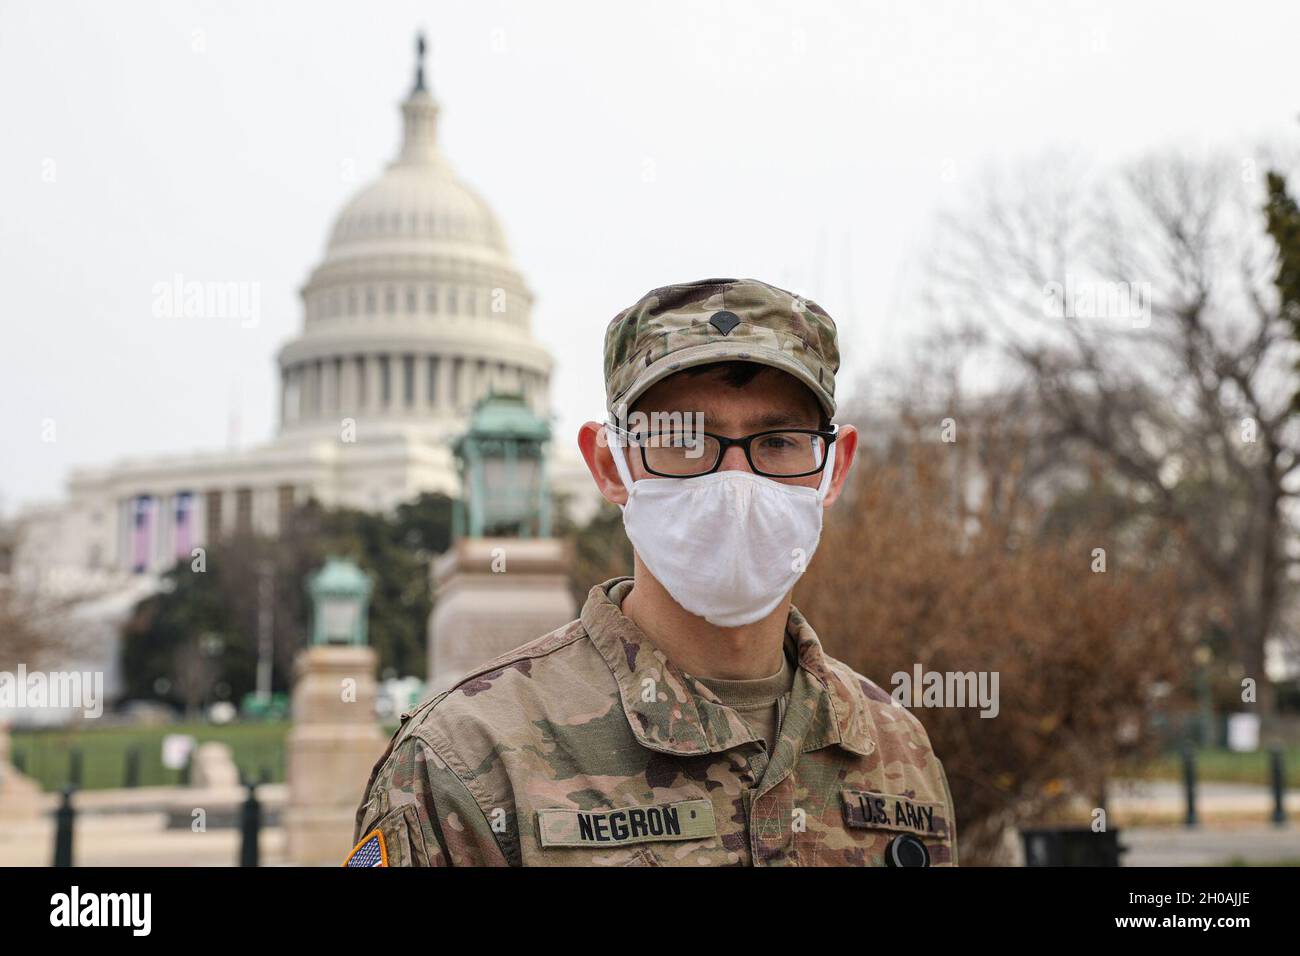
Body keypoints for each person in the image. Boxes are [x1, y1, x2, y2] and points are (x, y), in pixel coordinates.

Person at [347, 277, 957, 867]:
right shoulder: (466, 759)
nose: (735, 482)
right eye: (684, 441)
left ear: (834, 467)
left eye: (778, 441)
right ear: (610, 465)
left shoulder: (895, 747)